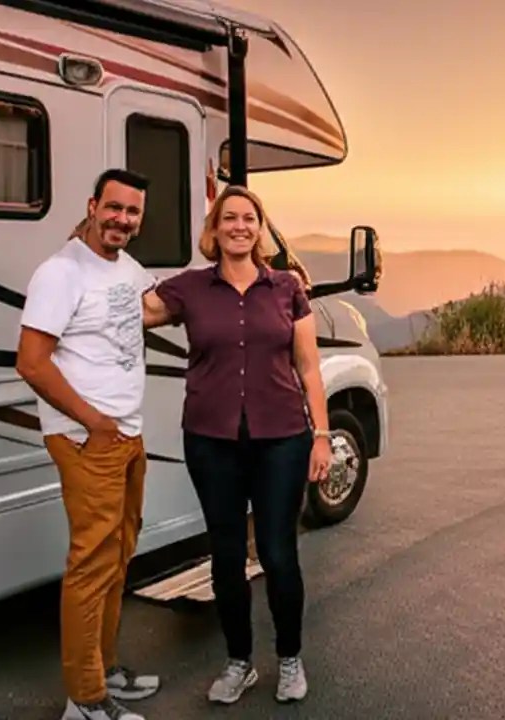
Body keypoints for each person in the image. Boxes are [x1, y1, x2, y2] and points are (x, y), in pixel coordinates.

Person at [140, 184, 333, 705]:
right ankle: (239, 662)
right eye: (229, 218)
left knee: (276, 553)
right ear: (215, 229)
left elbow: (309, 367)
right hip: (211, 440)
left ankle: (290, 658)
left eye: (249, 218)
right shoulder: (190, 289)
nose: (240, 226)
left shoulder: (287, 287)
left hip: (283, 440)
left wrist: (321, 435)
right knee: (225, 557)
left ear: (260, 227)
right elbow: (131, 312)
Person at [16, 168, 162, 720]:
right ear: (93, 204)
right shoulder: (60, 272)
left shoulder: (125, 267)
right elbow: (30, 362)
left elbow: (157, 308)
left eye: (133, 212)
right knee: (91, 563)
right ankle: (84, 699)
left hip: (126, 434)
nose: (123, 219)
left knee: (119, 556)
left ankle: (105, 669)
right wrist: (94, 421)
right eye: (115, 208)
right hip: (87, 438)